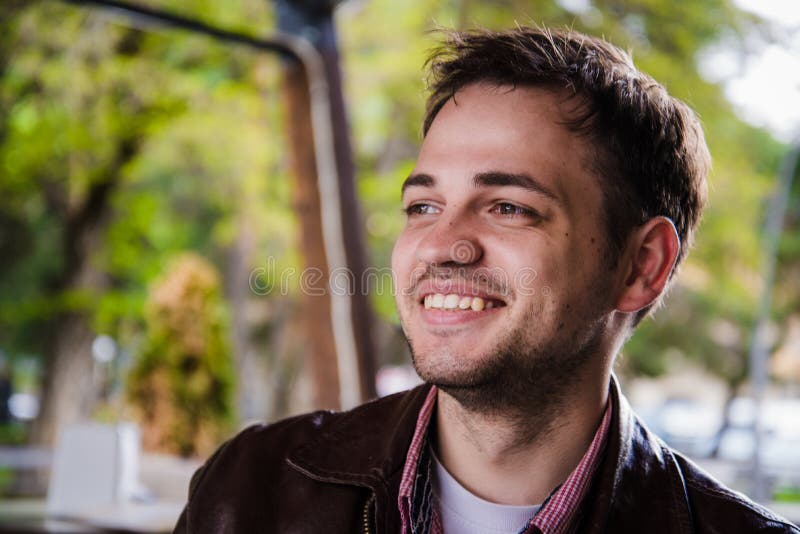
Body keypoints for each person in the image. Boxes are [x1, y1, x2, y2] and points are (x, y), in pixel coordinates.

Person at [174, 27, 799, 533]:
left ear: (642, 266)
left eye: (509, 207)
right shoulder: (249, 490)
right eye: (423, 206)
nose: (443, 244)